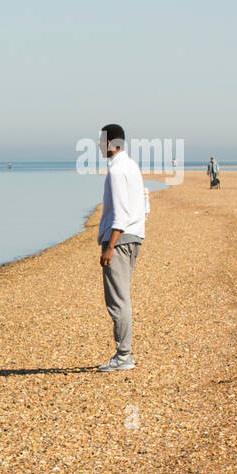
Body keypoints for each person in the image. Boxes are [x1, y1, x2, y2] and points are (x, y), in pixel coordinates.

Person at [96, 124, 145, 372]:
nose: (97, 145)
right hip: (134, 236)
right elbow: (141, 204)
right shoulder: (132, 166)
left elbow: (120, 212)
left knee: (118, 300)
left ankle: (124, 355)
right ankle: (124, 354)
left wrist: (110, 245)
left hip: (121, 238)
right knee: (122, 296)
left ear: (109, 143)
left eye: (100, 140)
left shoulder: (116, 171)